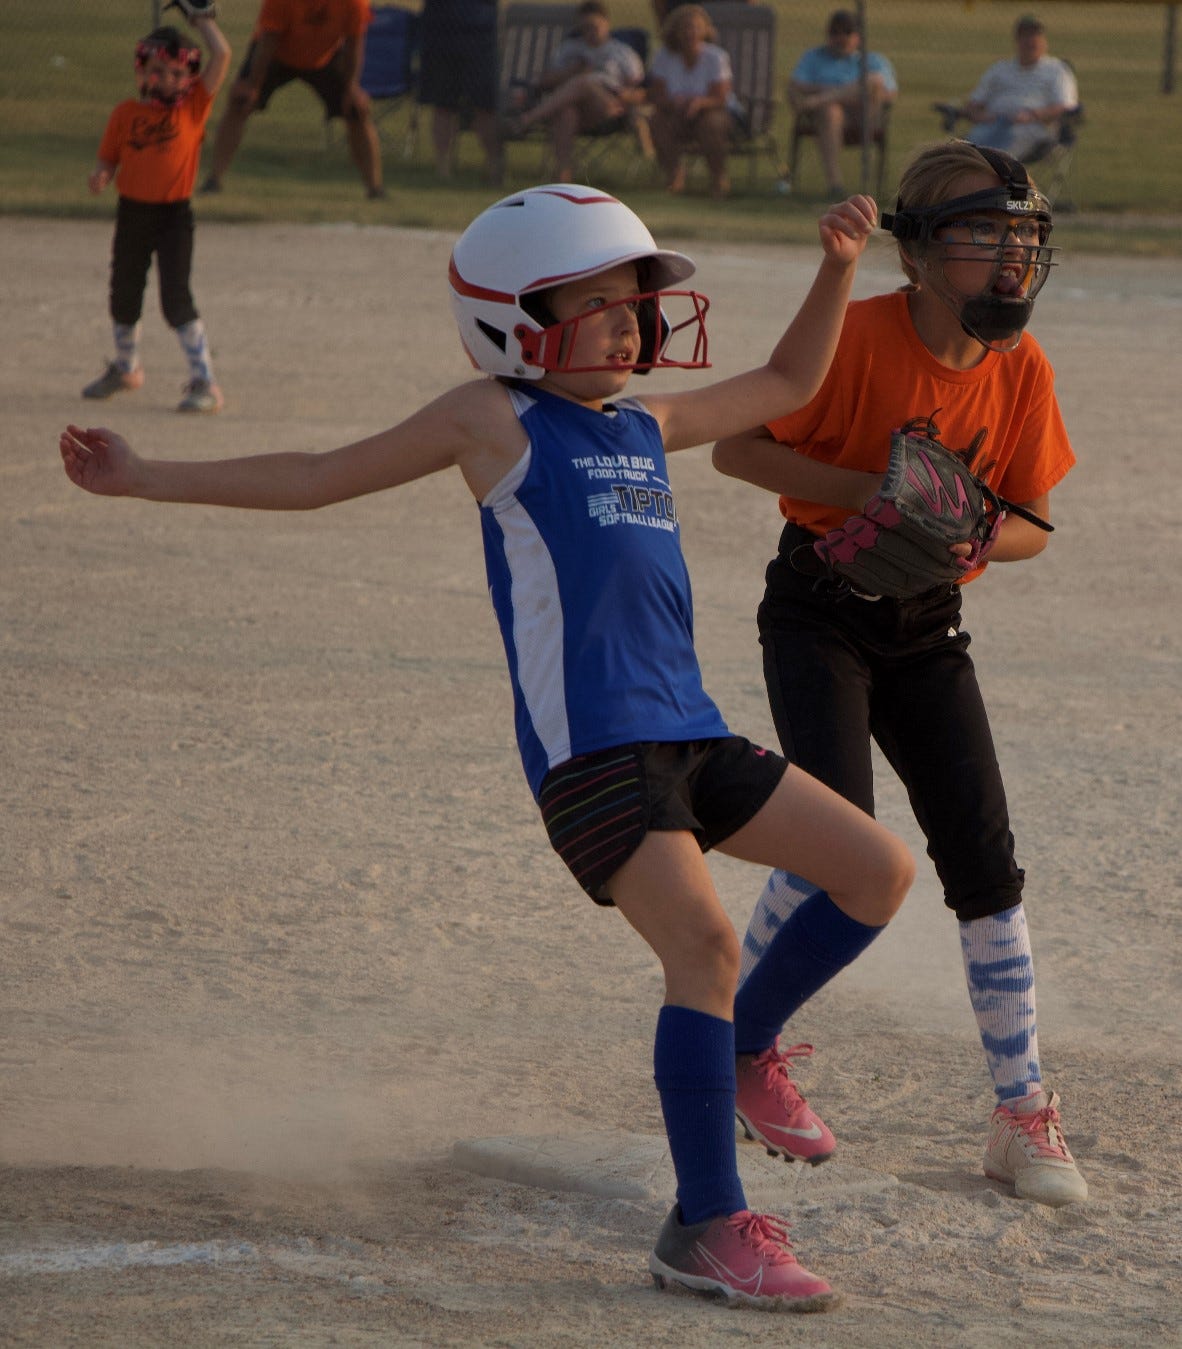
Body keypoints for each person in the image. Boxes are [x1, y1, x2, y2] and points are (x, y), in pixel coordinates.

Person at [60, 182, 916, 1309]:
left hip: (693, 732)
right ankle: (706, 1224)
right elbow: (318, 476)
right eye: (599, 304)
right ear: (515, 320)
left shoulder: (645, 423)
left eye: (635, 304)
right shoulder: (494, 419)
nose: (630, 325)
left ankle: (746, 1048)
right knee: (705, 944)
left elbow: (789, 382)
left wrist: (839, 264)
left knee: (876, 870)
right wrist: (143, 476)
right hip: (594, 756)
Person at [712, 140, 1088, 1208]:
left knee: (985, 858)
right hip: (819, 605)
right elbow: (737, 450)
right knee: (835, 839)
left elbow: (1033, 525)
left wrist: (970, 531)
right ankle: (736, 1040)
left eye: (1021, 236)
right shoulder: (862, 334)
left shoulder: (1023, 366)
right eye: (981, 234)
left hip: (928, 621)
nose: (1009, 257)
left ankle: (1021, 1111)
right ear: (917, 254)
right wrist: (872, 488)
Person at [81, 14, 231, 414]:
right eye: (158, 70)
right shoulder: (125, 114)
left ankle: (206, 382)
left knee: (175, 297)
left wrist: (202, 18)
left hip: (173, 216)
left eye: (177, 73)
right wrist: (101, 174)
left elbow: (222, 54)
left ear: (189, 77)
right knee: (124, 291)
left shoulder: (193, 108)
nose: (166, 79)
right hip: (132, 213)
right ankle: (126, 368)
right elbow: (108, 158)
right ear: (142, 71)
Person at [199, 0, 384, 200]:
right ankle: (214, 179)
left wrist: (352, 88)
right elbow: (268, 39)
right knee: (240, 102)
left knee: (357, 111)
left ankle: (374, 188)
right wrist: (253, 84)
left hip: (325, 55)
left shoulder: (354, 3)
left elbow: (354, 42)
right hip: (276, 53)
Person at [509, 1, 647, 185]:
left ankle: (528, 119)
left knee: (584, 82)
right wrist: (572, 71)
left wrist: (622, 96)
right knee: (567, 112)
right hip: (576, 107)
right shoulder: (570, 49)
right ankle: (563, 176)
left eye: (594, 27)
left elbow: (640, 90)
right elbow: (545, 81)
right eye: (585, 28)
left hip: (610, 106)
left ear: (607, 23)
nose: (590, 32)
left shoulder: (622, 52)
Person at [788, 8, 897, 198]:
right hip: (829, 118)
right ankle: (835, 185)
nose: (841, 37)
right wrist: (842, 94)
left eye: (847, 32)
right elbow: (795, 85)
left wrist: (821, 96)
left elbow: (888, 93)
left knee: (872, 80)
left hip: (866, 116)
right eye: (835, 32)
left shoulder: (873, 60)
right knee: (831, 111)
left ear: (858, 36)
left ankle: (820, 101)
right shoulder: (813, 57)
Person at [648, 4, 742, 199]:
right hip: (676, 113)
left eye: (696, 28)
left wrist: (698, 103)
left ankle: (718, 178)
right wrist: (676, 104)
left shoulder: (716, 57)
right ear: (675, 31)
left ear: (706, 30)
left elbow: (720, 97)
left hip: (714, 112)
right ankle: (674, 176)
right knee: (657, 121)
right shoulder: (664, 56)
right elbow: (658, 95)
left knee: (711, 124)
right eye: (685, 27)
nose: (690, 33)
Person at [960, 15, 1078, 162]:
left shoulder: (1056, 70)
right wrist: (980, 116)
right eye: (1025, 36)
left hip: (1031, 127)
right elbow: (973, 104)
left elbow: (1065, 107)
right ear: (1017, 40)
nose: (1030, 41)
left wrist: (1034, 115)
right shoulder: (1000, 69)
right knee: (965, 153)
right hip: (993, 123)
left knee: (998, 157)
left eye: (1035, 36)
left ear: (1044, 41)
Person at [417, 0, 502, 184]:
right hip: (441, 32)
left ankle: (494, 166)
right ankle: (442, 168)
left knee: (485, 105)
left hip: (479, 33)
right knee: (443, 104)